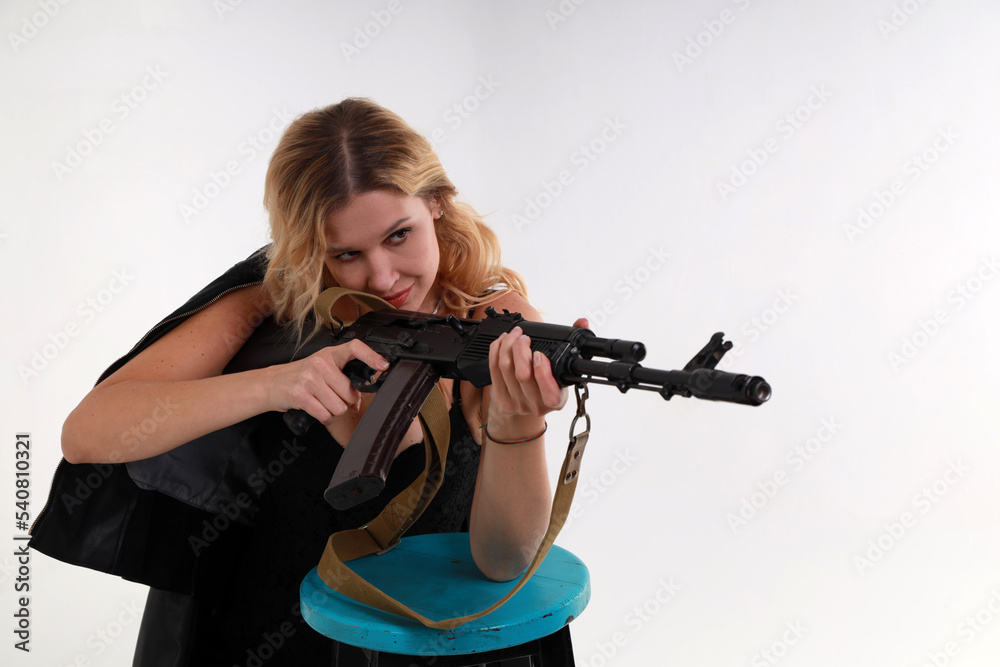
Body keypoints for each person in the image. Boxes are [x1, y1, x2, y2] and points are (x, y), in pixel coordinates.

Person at [55, 98, 586, 665]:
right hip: (270, 632)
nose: (382, 276)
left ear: (436, 202)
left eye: (399, 235)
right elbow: (86, 433)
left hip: (430, 637)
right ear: (310, 248)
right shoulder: (275, 301)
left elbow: (502, 562)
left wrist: (517, 422)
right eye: (346, 253)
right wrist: (276, 385)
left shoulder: (495, 324)